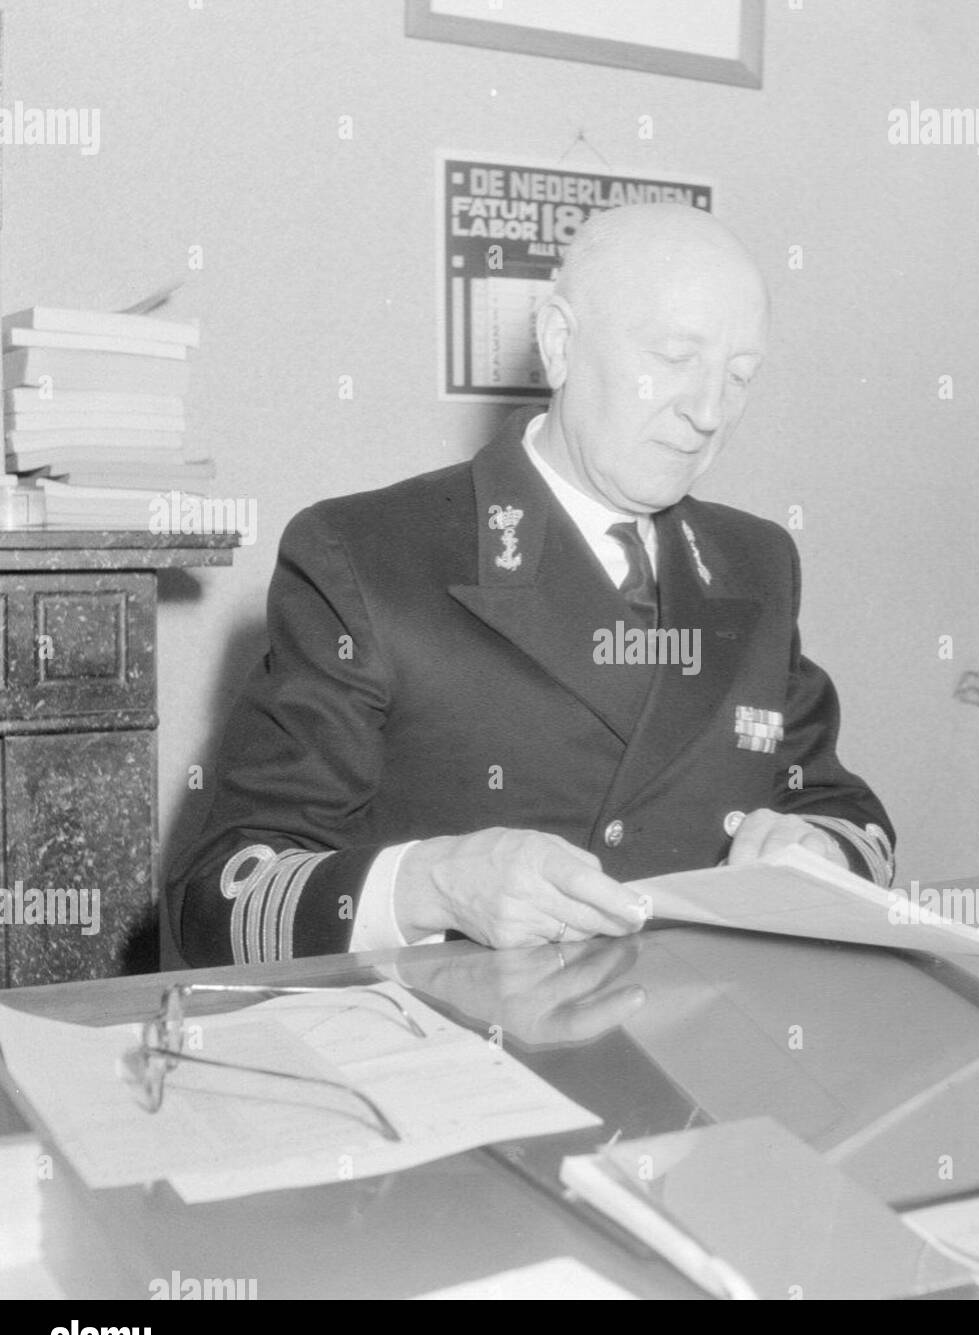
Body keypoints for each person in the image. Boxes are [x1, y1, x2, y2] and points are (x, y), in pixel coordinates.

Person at [166, 204, 894, 967]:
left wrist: (819, 851)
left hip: (701, 1041)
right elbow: (217, 900)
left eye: (739, 377)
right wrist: (430, 885)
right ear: (560, 345)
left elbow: (838, 807)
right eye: (676, 357)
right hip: (461, 1051)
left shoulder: (755, 562)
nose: (710, 412)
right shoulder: (368, 554)